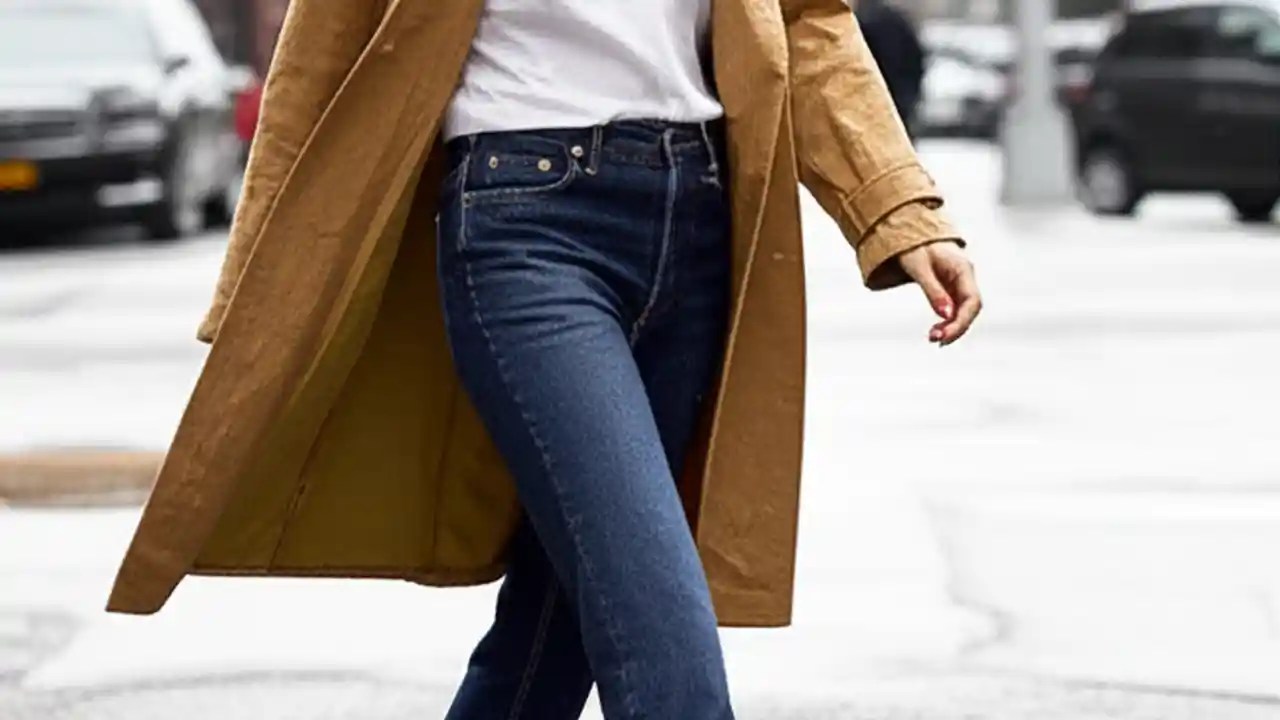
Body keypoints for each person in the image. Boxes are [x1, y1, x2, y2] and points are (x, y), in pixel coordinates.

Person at [106, 1, 982, 718]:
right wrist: (261, 292)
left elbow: (807, 22)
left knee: (549, 639)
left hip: (700, 224)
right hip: (525, 224)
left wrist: (899, 211)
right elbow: (317, 59)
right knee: (665, 651)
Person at [856, 0, 928, 134]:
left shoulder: (862, 24)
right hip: (897, 105)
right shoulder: (898, 21)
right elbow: (917, 60)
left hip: (872, 105)